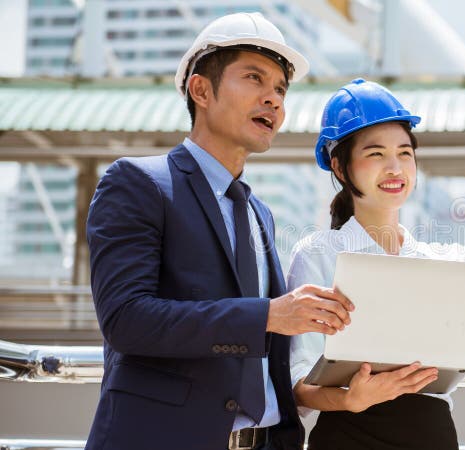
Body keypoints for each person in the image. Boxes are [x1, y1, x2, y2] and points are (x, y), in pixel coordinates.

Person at [84, 13, 353, 450]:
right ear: (201, 90)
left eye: (281, 90)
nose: (274, 100)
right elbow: (126, 320)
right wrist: (269, 315)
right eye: (254, 78)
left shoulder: (259, 214)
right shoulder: (136, 183)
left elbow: (267, 362)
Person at [286, 79, 465, 449]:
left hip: (431, 438)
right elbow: (299, 381)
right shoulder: (319, 253)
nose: (395, 167)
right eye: (375, 154)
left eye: (405, 153)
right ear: (341, 168)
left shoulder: (441, 263)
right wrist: (349, 399)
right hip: (349, 435)